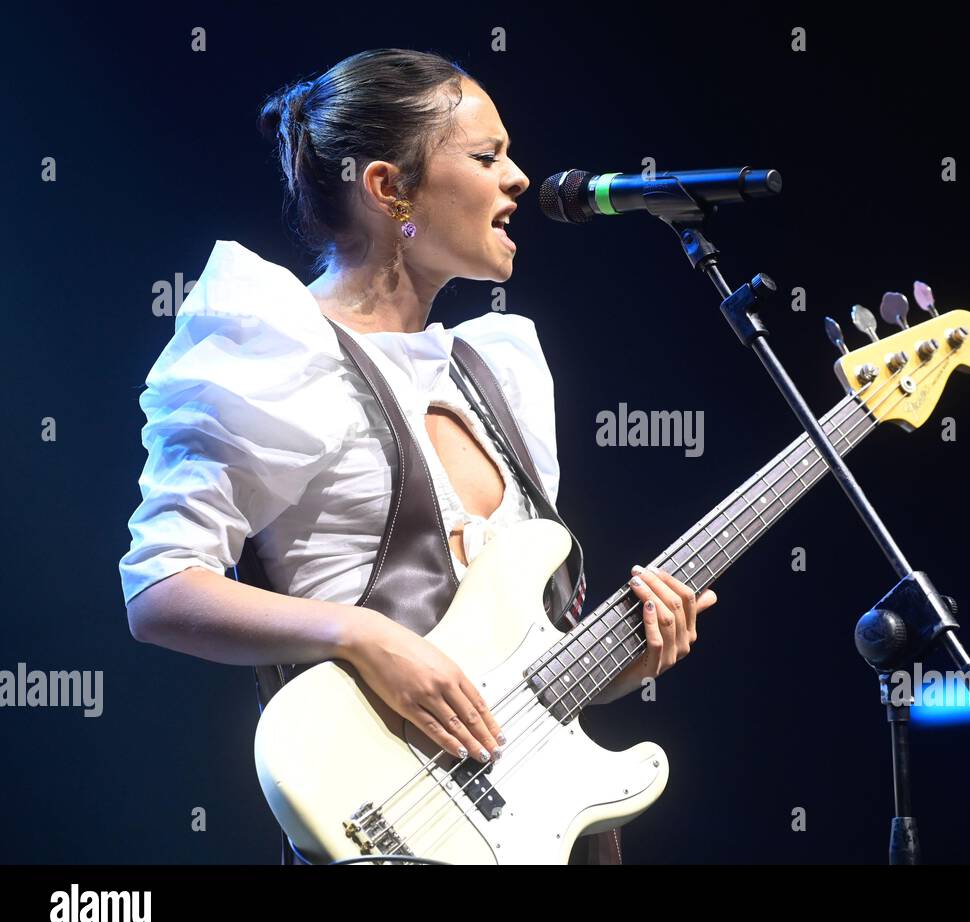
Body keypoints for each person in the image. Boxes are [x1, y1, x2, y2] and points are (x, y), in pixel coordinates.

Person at [119, 48, 717, 863]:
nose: (518, 179)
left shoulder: (492, 372)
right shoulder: (274, 351)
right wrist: (362, 635)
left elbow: (514, 679)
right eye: (486, 156)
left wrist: (623, 658)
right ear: (387, 188)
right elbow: (159, 593)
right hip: (391, 833)